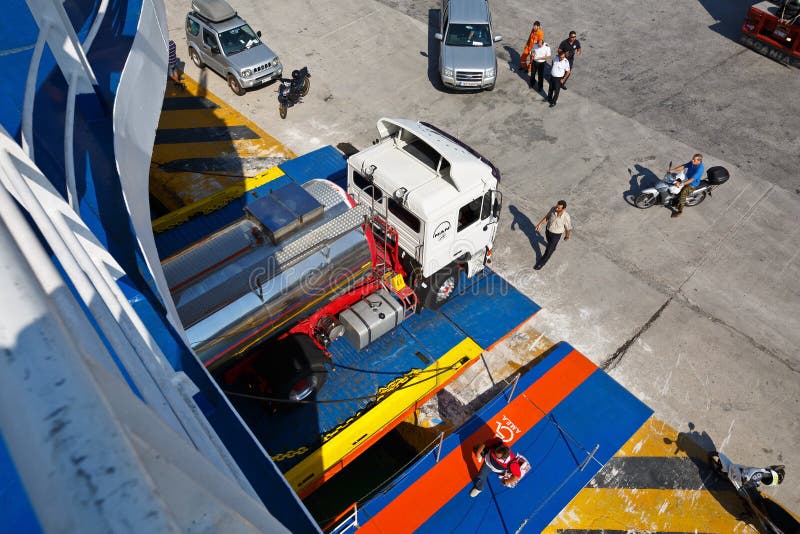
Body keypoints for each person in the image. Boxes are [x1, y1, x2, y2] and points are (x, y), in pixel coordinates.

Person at [534, 200, 571, 269]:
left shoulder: (566, 217)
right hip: (548, 231)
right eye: (557, 206)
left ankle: (541, 263)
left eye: (559, 208)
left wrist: (567, 236)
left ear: (563, 209)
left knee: (549, 250)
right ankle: (552, 247)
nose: (556, 209)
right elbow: (547, 217)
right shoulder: (553, 208)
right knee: (550, 243)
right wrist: (539, 224)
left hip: (556, 235)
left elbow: (568, 228)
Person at [668, 154, 704, 218]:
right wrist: (673, 170)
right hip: (686, 178)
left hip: (692, 184)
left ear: (699, 161)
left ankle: (680, 211)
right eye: (692, 159)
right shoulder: (693, 163)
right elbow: (683, 166)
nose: (692, 160)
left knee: (683, 194)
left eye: (694, 160)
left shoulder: (699, 169)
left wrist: (681, 184)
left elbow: (691, 180)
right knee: (672, 182)